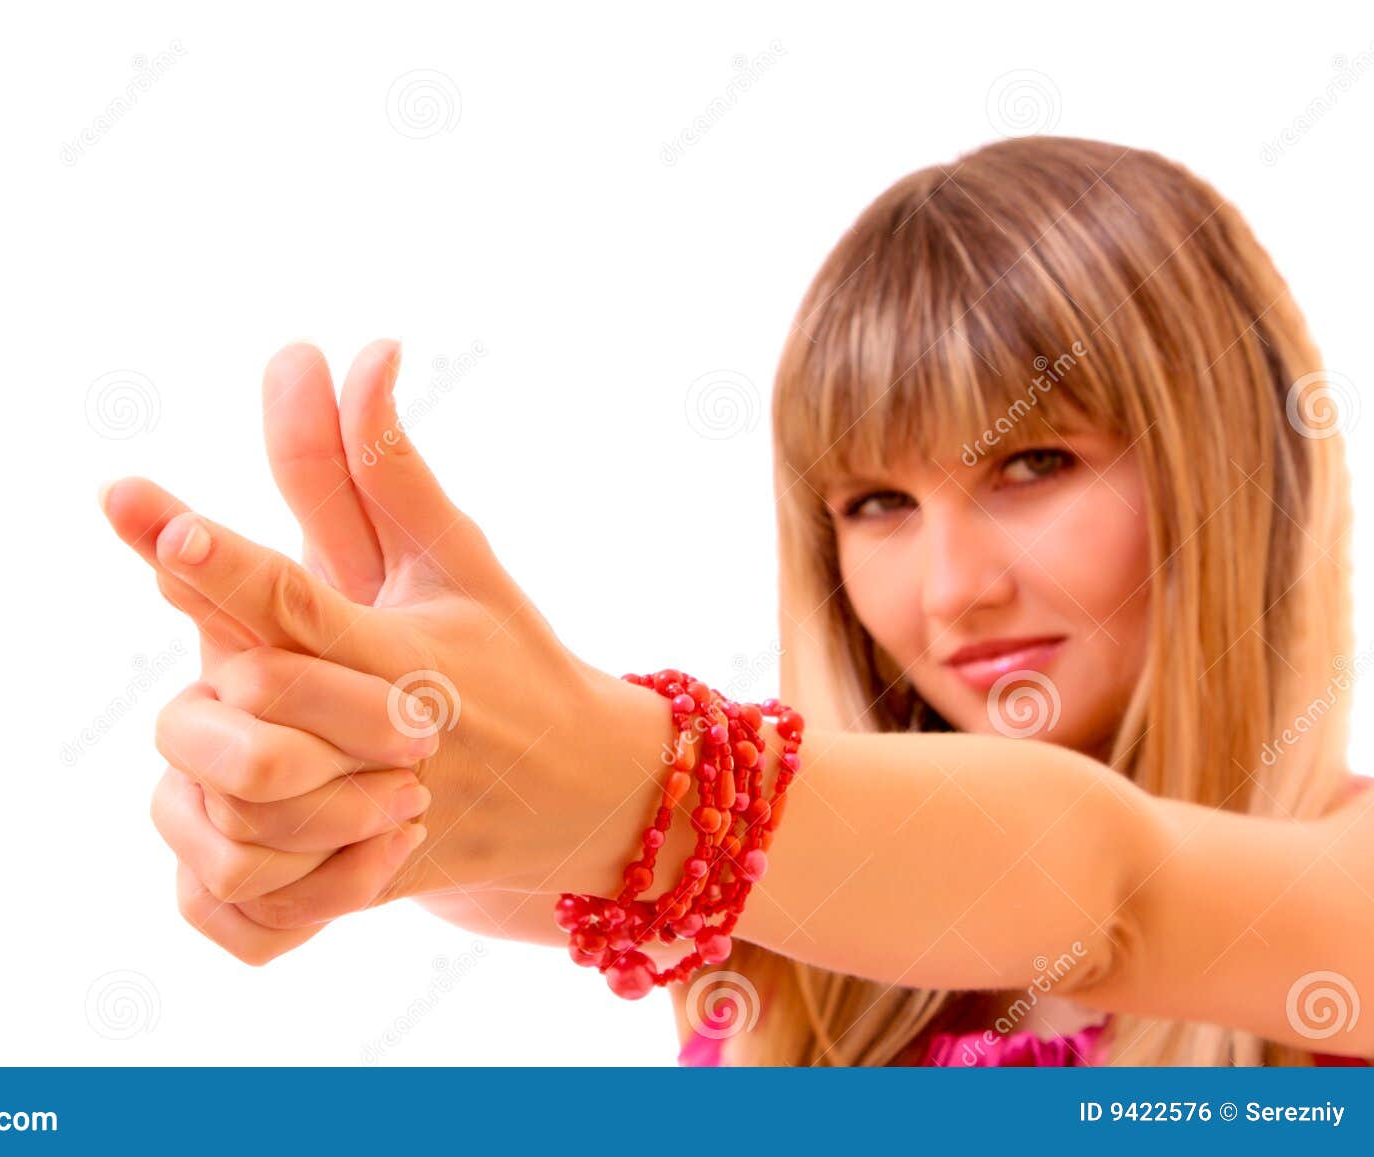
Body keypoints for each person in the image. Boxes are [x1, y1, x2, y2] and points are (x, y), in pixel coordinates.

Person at [99, 136, 1371, 1067]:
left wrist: (626, 773)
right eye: (874, 502)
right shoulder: (782, 936)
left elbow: (1107, 888)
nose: (952, 590)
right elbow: (495, 839)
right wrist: (351, 760)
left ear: (1240, 458)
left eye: (1032, 466)